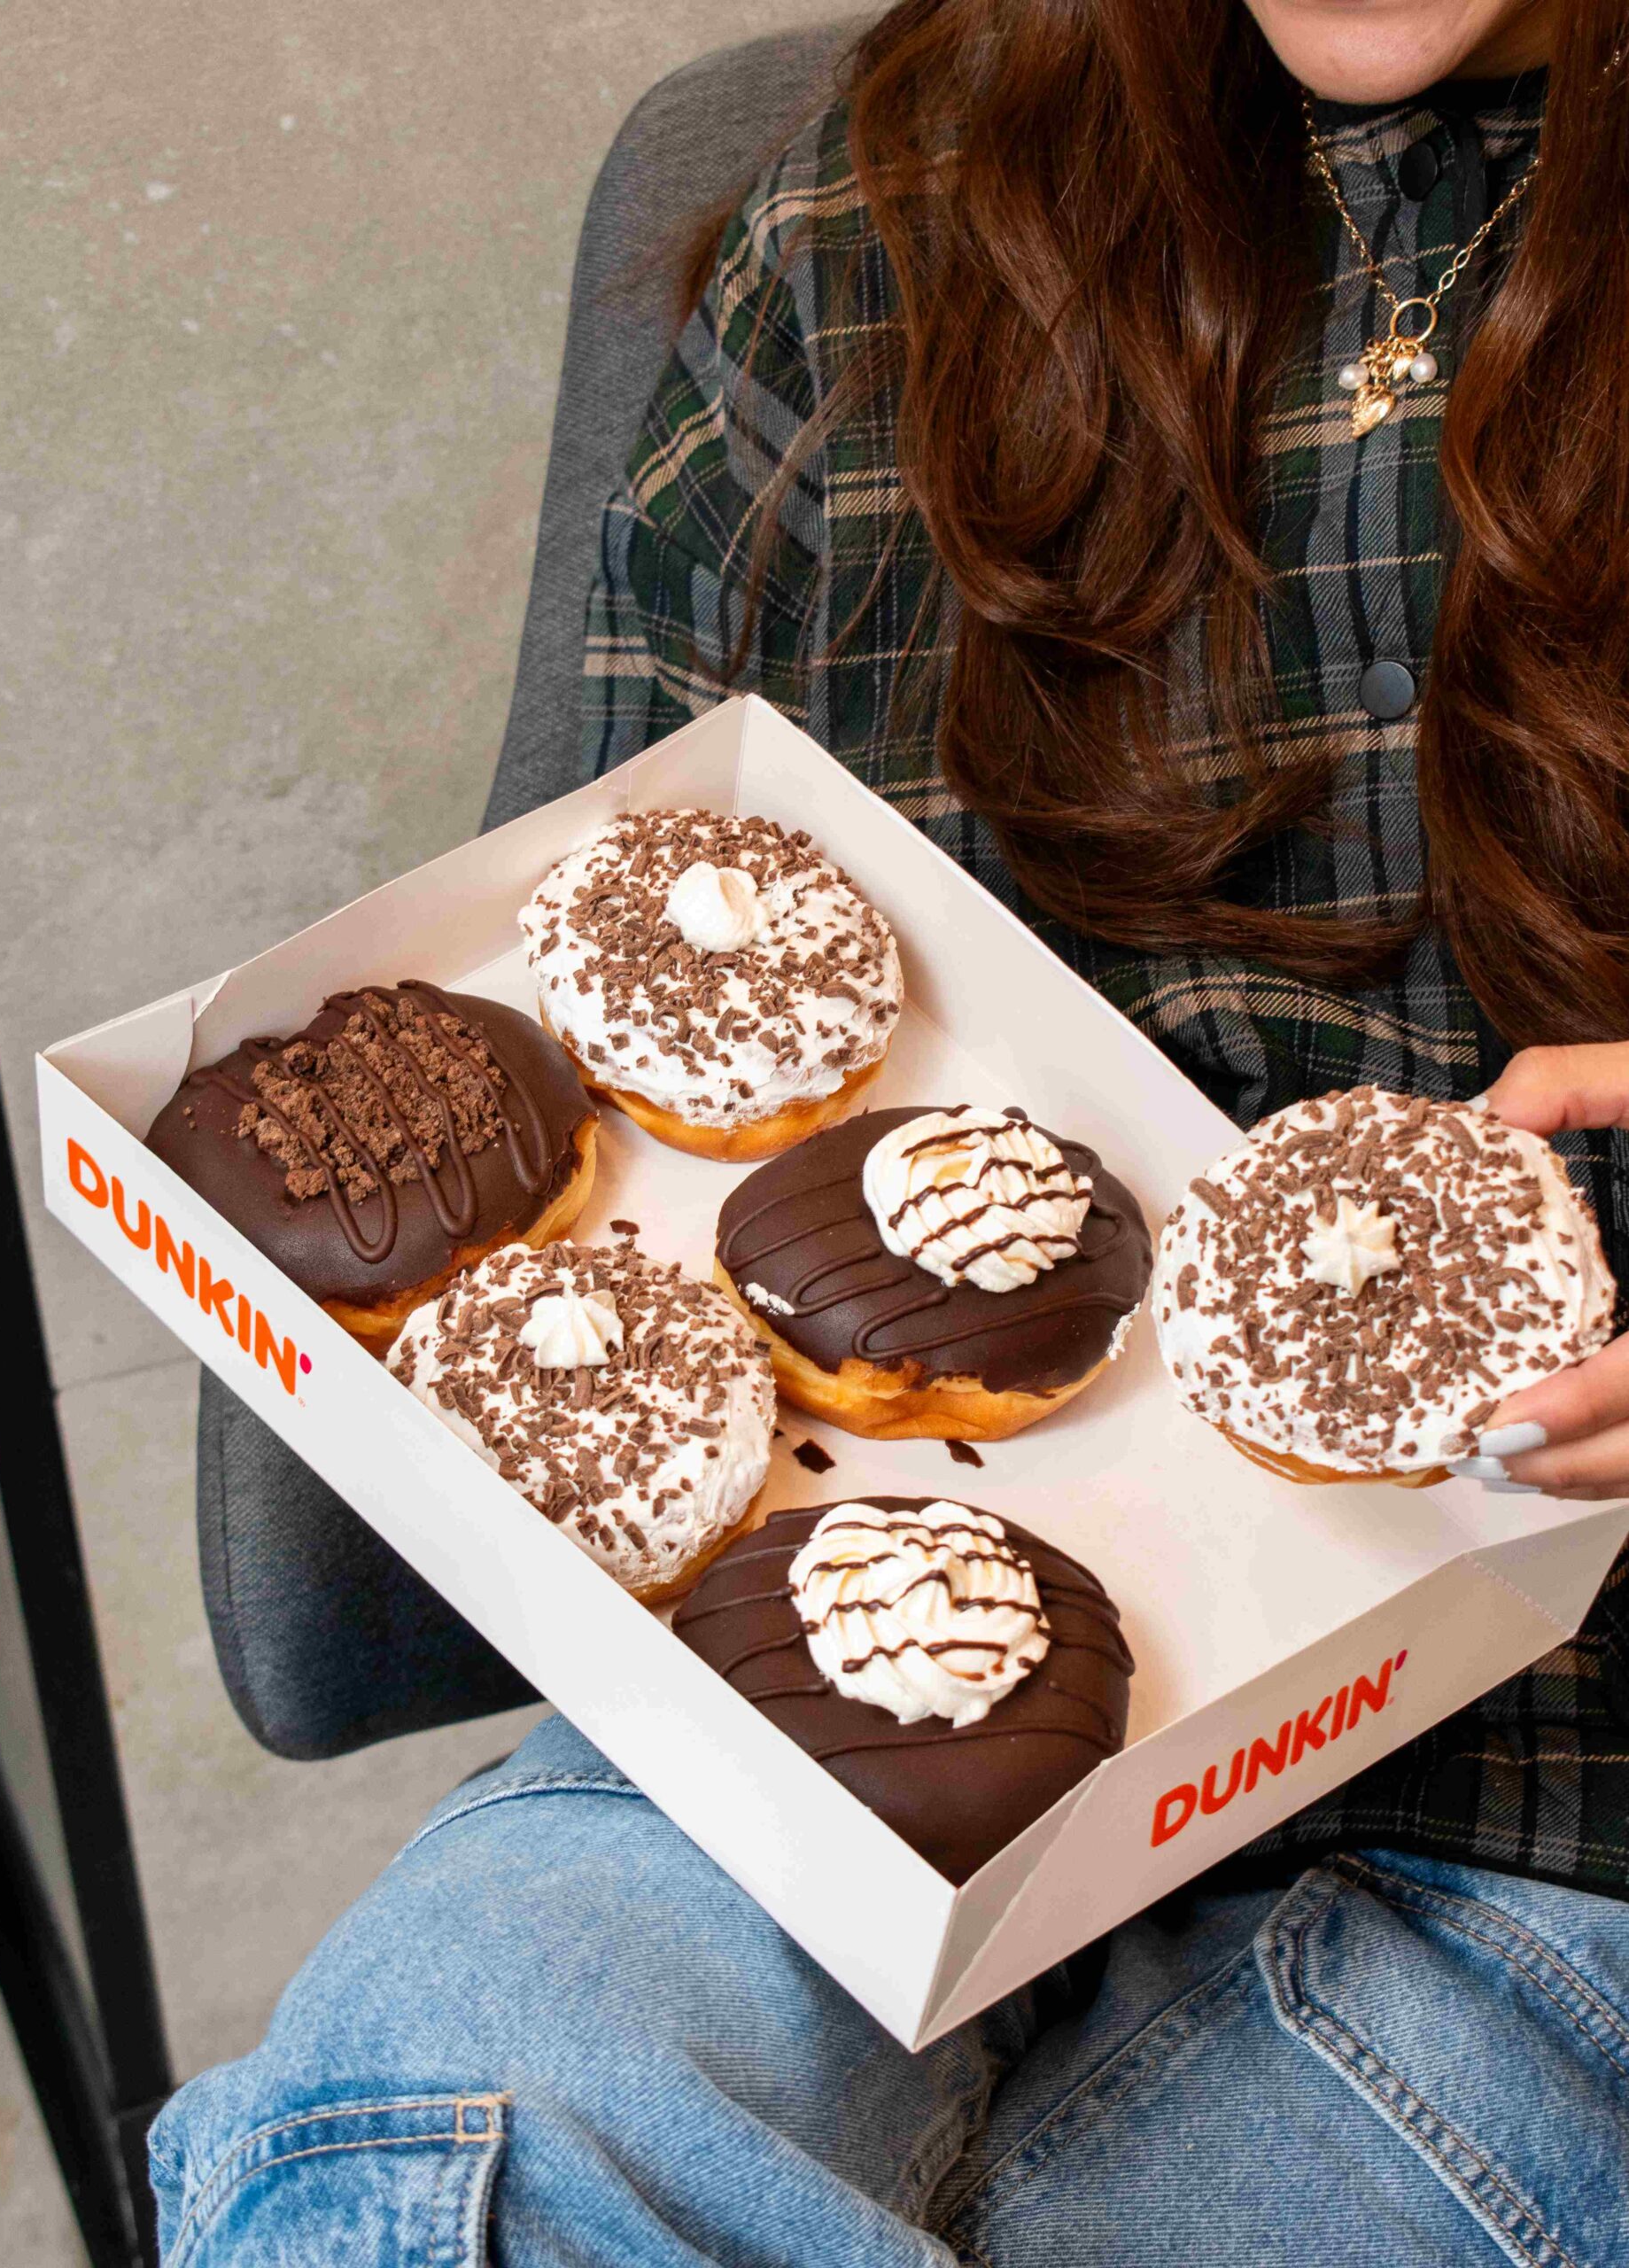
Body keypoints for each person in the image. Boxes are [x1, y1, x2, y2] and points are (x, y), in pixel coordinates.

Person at [150, 1, 1629, 2258]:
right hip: (841, 1631)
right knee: (441, 2164)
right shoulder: (887, 210)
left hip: (1557, 1803)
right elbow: (593, 942)